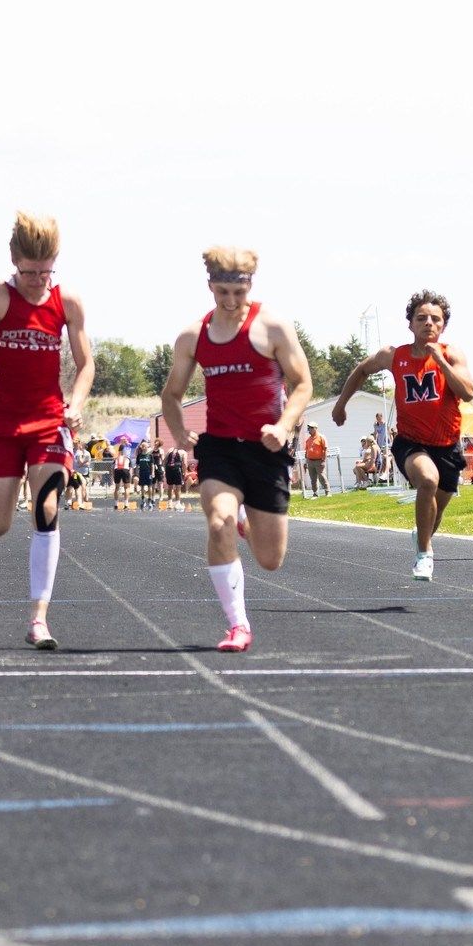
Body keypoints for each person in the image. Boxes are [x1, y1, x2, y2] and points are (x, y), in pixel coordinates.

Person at [0, 211, 94, 649]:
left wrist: (77, 403)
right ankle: (4, 489)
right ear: (14, 261)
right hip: (0, 423)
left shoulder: (67, 301)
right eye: (29, 272)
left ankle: (39, 620)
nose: (37, 280)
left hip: (50, 422)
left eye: (45, 271)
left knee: (46, 508)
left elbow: (86, 364)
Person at [159, 245, 314, 653]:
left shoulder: (273, 327)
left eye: (238, 292)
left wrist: (283, 426)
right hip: (221, 449)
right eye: (222, 292)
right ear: (210, 286)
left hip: (266, 450)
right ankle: (238, 625)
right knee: (217, 523)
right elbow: (171, 395)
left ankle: (245, 518)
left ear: (250, 285)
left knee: (270, 559)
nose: (230, 301)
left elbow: (303, 385)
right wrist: (178, 432)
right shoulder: (194, 335)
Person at [332, 290, 473, 581]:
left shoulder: (451, 354)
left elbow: (467, 392)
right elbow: (361, 369)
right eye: (421, 318)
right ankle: (424, 555)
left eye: (435, 319)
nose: (428, 323)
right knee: (427, 480)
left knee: (436, 510)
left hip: (447, 445)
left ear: (443, 326)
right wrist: (340, 404)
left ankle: (423, 537)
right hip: (410, 442)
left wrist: (441, 361)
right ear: (410, 324)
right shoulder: (394, 355)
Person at [301, 423, 329, 498]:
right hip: (310, 461)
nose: (309, 430)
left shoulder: (321, 437)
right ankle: (315, 493)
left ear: (315, 428)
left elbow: (325, 449)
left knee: (322, 476)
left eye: (310, 428)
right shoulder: (308, 439)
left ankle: (327, 492)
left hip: (319, 460)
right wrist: (305, 462)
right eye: (308, 428)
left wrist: (323, 459)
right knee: (313, 478)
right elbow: (306, 451)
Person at [163, 441, 188, 511]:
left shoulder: (170, 450)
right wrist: (184, 472)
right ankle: (177, 503)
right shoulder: (183, 452)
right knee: (178, 487)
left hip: (169, 469)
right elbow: (184, 463)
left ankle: (169, 503)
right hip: (177, 469)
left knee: (170, 486)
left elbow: (164, 460)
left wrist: (165, 470)